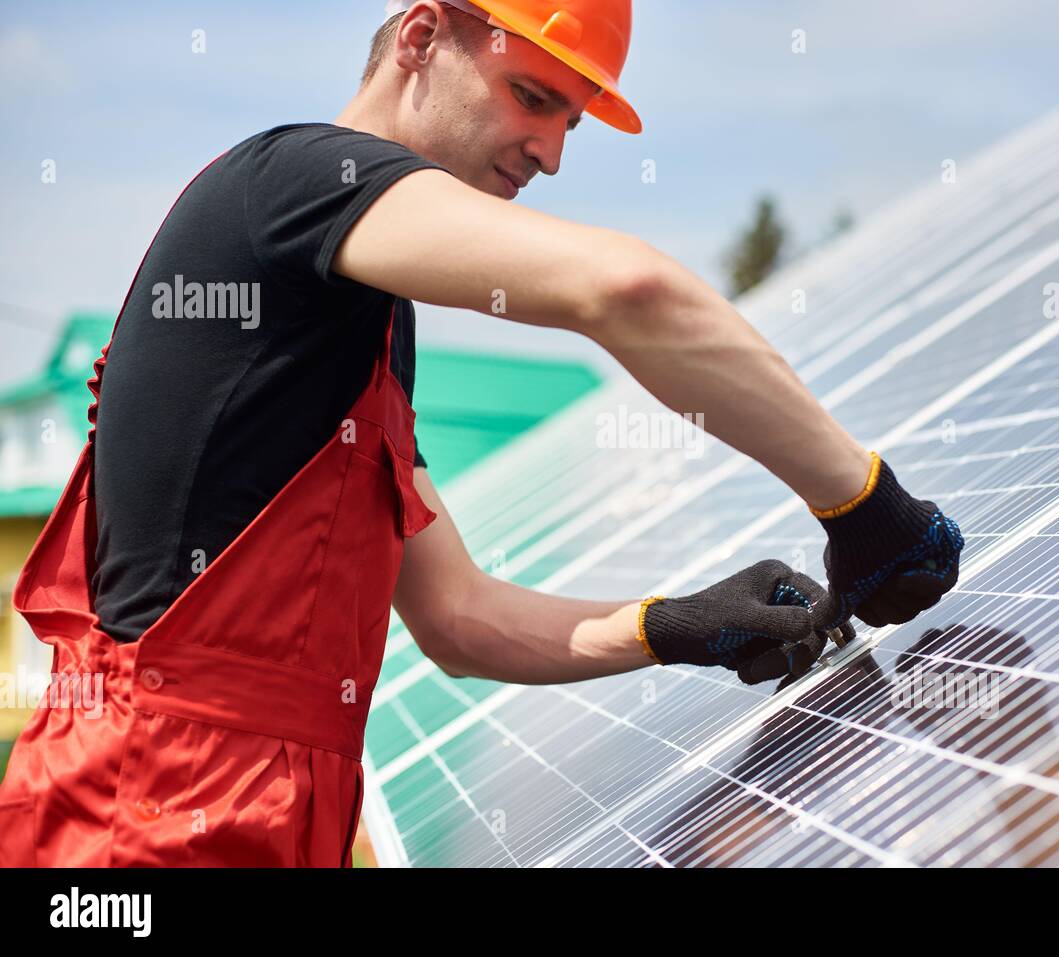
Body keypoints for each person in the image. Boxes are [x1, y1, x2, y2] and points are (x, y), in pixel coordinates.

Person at [0, 0, 962, 867]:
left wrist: (673, 624)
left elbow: (456, 617)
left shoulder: (362, 317)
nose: (549, 152)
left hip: (258, 815)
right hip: (141, 820)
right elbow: (625, 290)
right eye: (532, 95)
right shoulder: (292, 186)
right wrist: (862, 499)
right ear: (420, 38)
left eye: (571, 123)